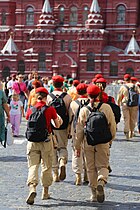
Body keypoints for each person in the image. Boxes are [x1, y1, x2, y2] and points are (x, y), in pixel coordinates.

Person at [75, 84, 116, 203]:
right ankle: (101, 181)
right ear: (99, 94)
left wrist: (77, 146)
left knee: (91, 168)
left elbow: (79, 130)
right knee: (103, 165)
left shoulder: (84, 110)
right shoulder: (107, 108)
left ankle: (93, 193)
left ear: (88, 95)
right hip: (103, 142)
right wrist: (110, 139)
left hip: (89, 142)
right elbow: (112, 126)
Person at [25, 87, 62, 205]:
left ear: (36, 97)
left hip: (32, 141)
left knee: (33, 166)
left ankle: (32, 188)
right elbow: (56, 125)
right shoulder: (50, 109)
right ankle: (45, 192)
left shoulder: (31, 109)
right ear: (46, 97)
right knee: (46, 165)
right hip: (46, 140)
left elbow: (27, 120)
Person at [47, 75, 72, 182]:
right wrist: (69, 128)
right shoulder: (67, 97)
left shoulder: (48, 97)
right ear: (63, 84)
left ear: (53, 84)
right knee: (62, 147)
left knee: (52, 150)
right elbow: (70, 115)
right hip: (63, 127)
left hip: (51, 128)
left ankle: (55, 174)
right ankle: (62, 162)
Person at [69, 83, 89, 185]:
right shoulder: (91, 103)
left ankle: (78, 175)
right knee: (87, 152)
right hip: (89, 131)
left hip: (76, 130)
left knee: (76, 152)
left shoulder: (73, 103)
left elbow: (69, 118)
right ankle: (86, 175)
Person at [117, 74, 139, 139]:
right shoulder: (135, 86)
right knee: (133, 119)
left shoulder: (123, 87)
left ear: (124, 79)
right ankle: (131, 132)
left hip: (125, 104)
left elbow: (119, 96)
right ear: (130, 79)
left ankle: (127, 133)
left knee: (126, 119)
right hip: (134, 105)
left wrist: (118, 103)